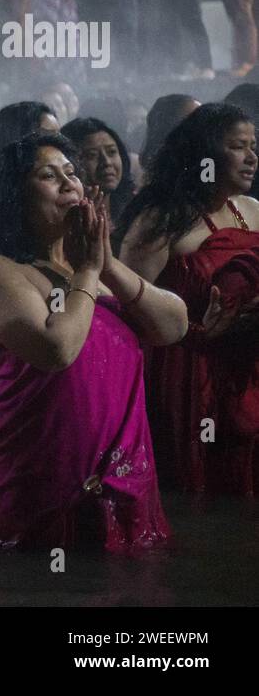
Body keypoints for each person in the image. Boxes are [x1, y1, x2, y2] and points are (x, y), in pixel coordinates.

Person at [0, 133, 185, 551]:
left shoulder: (94, 271)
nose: (69, 183)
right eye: (49, 176)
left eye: (71, 173)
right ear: (16, 195)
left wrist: (108, 268)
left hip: (126, 477)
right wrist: (88, 273)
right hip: (42, 477)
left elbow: (173, 326)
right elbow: (56, 350)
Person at [118, 104, 259, 494]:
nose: (252, 158)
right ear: (206, 154)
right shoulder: (162, 221)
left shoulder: (253, 211)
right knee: (195, 488)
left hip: (247, 366)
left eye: (253, 146)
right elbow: (124, 307)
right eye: (238, 147)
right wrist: (196, 330)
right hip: (185, 373)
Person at [0, 102, 61, 265]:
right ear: (18, 142)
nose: (59, 146)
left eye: (59, 136)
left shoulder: (57, 194)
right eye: (48, 137)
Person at [61, 117, 136, 229]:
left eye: (112, 152)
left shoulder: (135, 209)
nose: (106, 162)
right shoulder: (63, 219)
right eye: (92, 155)